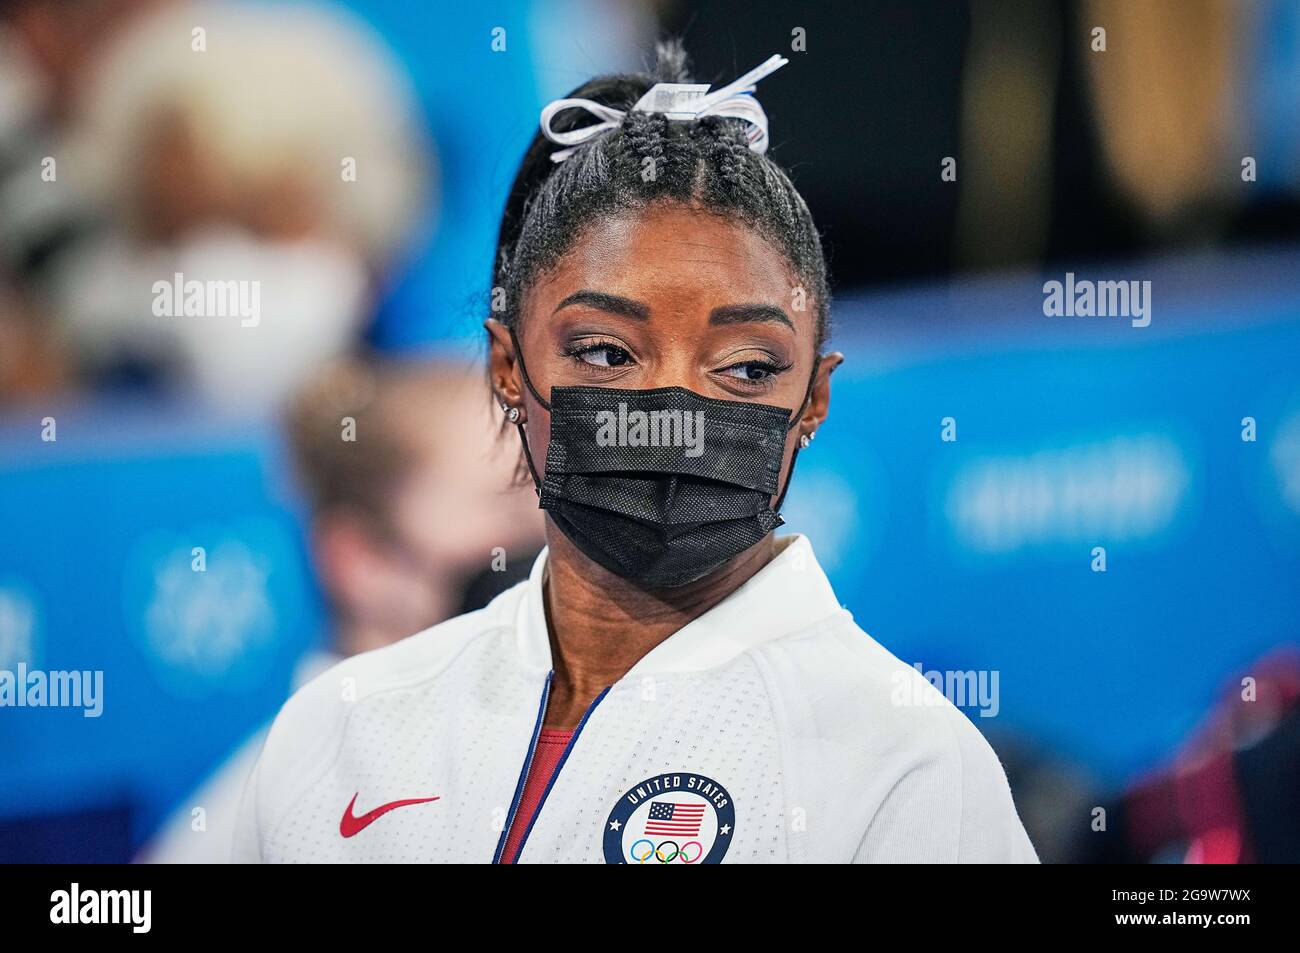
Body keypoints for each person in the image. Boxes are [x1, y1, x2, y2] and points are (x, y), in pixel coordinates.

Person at [234, 42, 1037, 864]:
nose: (674, 414)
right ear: (509, 367)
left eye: (747, 367)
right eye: (608, 353)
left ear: (815, 400)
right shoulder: (340, 731)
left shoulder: (904, 769)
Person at [141, 357, 541, 862]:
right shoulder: (284, 814)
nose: (553, 537)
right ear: (361, 559)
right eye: (508, 503)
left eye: (551, 496)